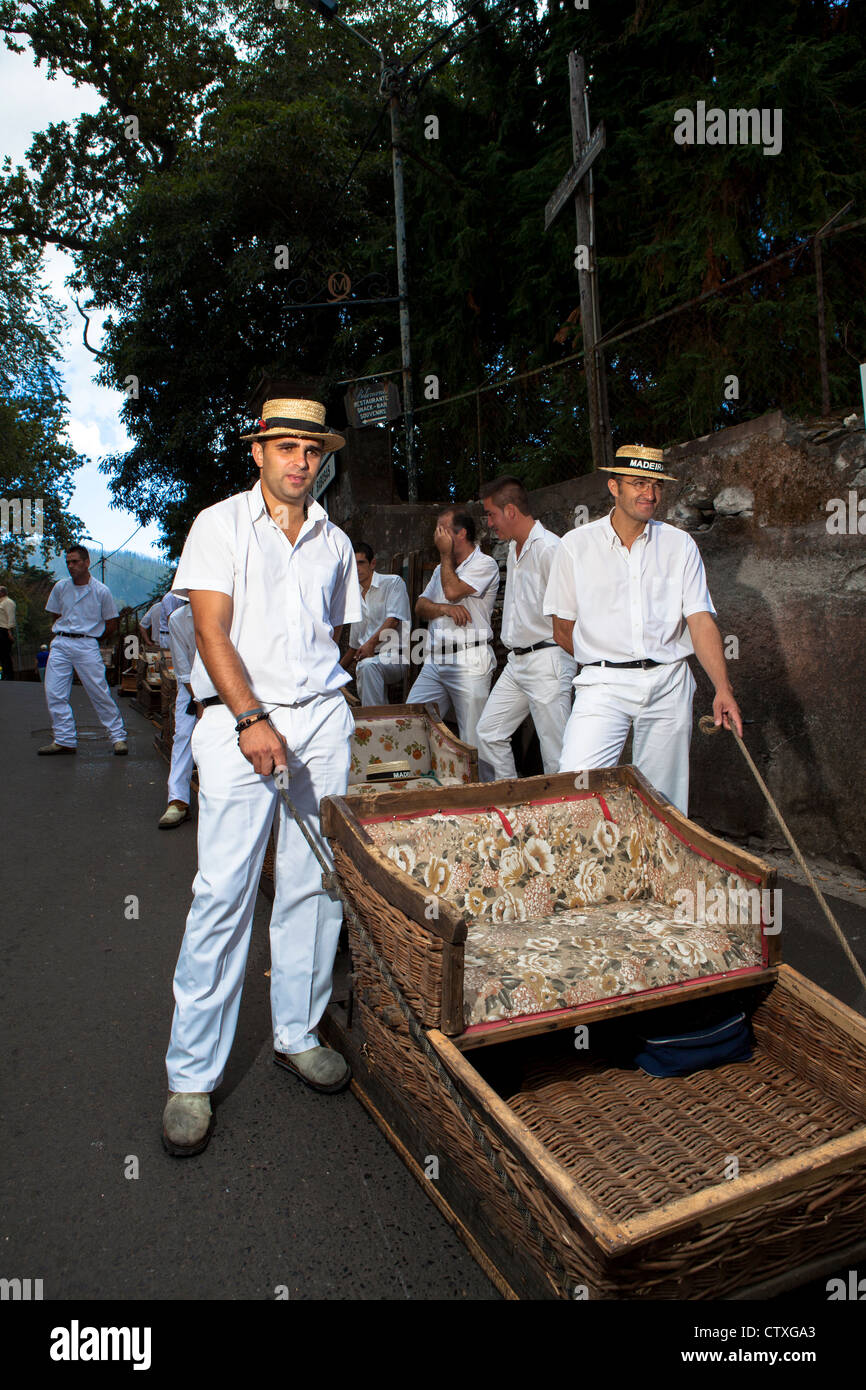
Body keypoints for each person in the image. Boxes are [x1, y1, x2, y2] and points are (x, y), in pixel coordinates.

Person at [162, 393, 362, 1158]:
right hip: (238, 719)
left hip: (318, 717)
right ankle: (189, 1075)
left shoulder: (334, 541)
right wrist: (249, 717)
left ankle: (296, 1031)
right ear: (258, 452)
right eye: (285, 448)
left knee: (315, 884)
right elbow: (209, 627)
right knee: (224, 891)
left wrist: (322, 712)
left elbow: (332, 639)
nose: (299, 462)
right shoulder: (219, 525)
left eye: (311, 451)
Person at [543, 444, 742, 815]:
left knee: (663, 803)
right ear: (614, 487)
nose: (649, 494)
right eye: (638, 483)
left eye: (655, 485)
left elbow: (700, 620)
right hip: (603, 685)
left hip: (668, 682)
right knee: (574, 786)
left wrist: (722, 688)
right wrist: (605, 659)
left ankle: (656, 872)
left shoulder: (679, 545)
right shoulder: (575, 546)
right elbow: (561, 629)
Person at [475, 476, 575, 779]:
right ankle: (512, 802)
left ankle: (565, 820)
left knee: (556, 754)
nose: (490, 523)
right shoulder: (515, 550)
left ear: (510, 511)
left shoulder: (549, 549)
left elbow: (572, 611)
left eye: (491, 514)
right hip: (516, 662)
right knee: (488, 733)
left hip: (548, 658)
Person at [406, 506, 500, 768]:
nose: (437, 535)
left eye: (443, 529)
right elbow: (420, 607)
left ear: (462, 534)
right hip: (436, 661)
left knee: (473, 740)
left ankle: (484, 797)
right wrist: (445, 610)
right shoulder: (441, 569)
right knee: (412, 720)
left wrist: (444, 555)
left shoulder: (484, 564)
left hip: (470, 659)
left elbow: (452, 590)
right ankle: (422, 781)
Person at [38, 545, 127, 756]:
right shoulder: (61, 587)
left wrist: (92, 637)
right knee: (54, 692)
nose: (71, 566)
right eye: (68, 562)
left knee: (98, 690)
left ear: (86, 562)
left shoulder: (101, 591)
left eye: (75, 561)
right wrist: (65, 633)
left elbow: (112, 623)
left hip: (87, 643)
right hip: (61, 642)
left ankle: (118, 737)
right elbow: (55, 615)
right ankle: (64, 739)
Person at [340, 543, 410, 705]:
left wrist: (370, 644)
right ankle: (378, 722)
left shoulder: (393, 583)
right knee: (366, 666)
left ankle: (374, 721)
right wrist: (334, 672)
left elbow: (393, 621)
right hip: (369, 660)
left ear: (372, 563)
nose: (356, 568)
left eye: (361, 562)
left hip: (396, 656)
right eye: (352, 563)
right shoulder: (353, 595)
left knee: (367, 667)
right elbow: (354, 646)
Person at [157, 599, 197, 829]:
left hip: (234, 684)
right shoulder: (179, 618)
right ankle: (178, 800)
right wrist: (200, 702)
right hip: (191, 684)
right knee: (183, 736)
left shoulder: (235, 608)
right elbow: (183, 670)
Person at [0, 585, 16, 681]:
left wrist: (10, 631)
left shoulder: (8, 602)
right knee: (1, 655)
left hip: (4, 630)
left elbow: (11, 617)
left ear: (2, 592)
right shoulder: (1, 602)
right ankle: (5, 674)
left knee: (5, 654)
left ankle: (9, 675)